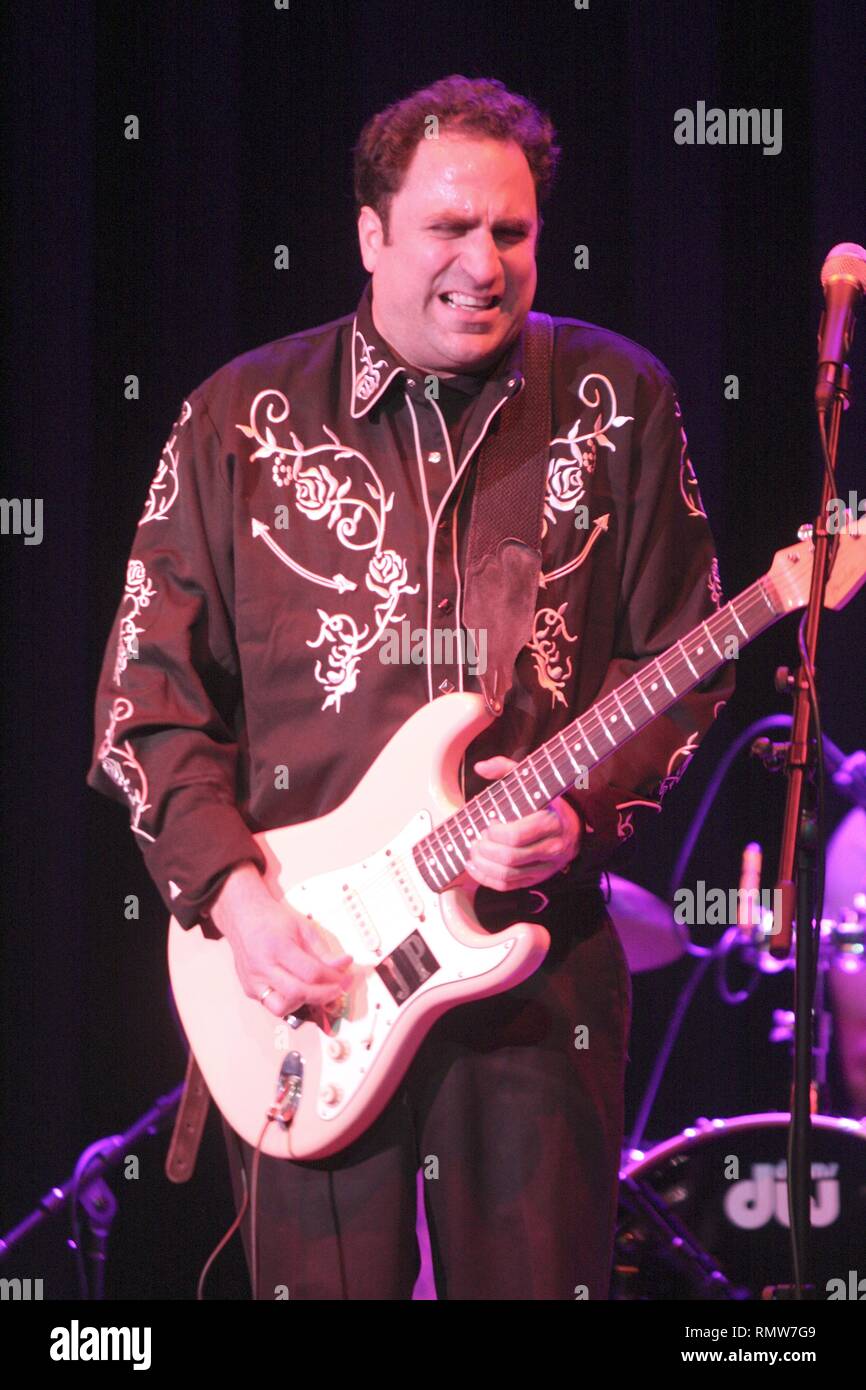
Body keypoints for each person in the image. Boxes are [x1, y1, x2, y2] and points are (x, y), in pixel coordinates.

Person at [87, 74, 734, 1300]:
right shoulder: (238, 420)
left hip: (535, 979)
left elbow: (684, 661)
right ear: (371, 234)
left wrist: (580, 810)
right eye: (447, 228)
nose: (482, 263)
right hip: (307, 977)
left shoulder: (616, 403)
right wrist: (233, 898)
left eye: (510, 231)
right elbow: (144, 697)